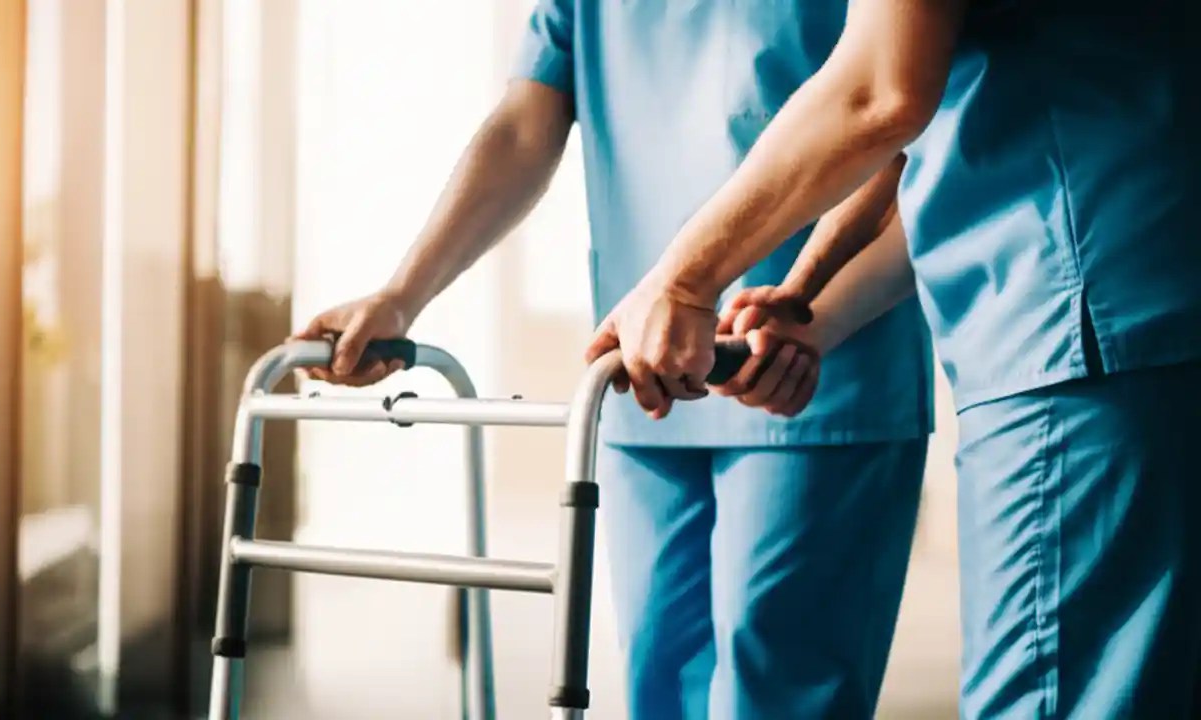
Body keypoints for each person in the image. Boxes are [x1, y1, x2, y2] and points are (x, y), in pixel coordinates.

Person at [296, 3, 936, 718]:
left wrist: (819, 315)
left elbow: (911, 127)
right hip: (642, 372)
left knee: (780, 683)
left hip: (812, 362)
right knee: (660, 680)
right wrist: (401, 296)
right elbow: (521, 130)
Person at [607, 0, 1201, 716]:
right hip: (1140, 311)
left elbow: (881, 93)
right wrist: (812, 310)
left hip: (1081, 329)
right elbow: (935, 144)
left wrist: (682, 281)